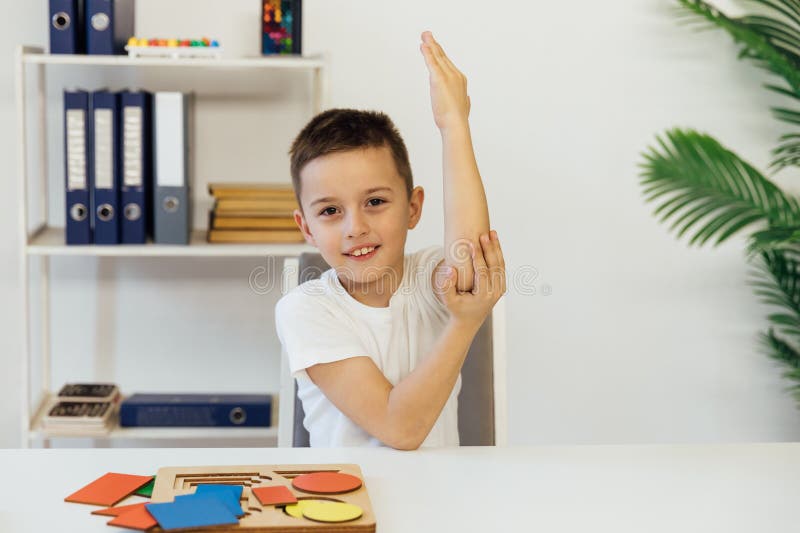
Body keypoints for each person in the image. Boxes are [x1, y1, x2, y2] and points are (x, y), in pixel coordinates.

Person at [275, 31, 506, 449]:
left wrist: (454, 125)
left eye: (375, 202)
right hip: (348, 493)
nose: (355, 227)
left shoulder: (430, 279)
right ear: (306, 227)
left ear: (413, 208)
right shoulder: (305, 310)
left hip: (442, 489)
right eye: (330, 211)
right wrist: (463, 323)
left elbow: (471, 271)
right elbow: (400, 428)